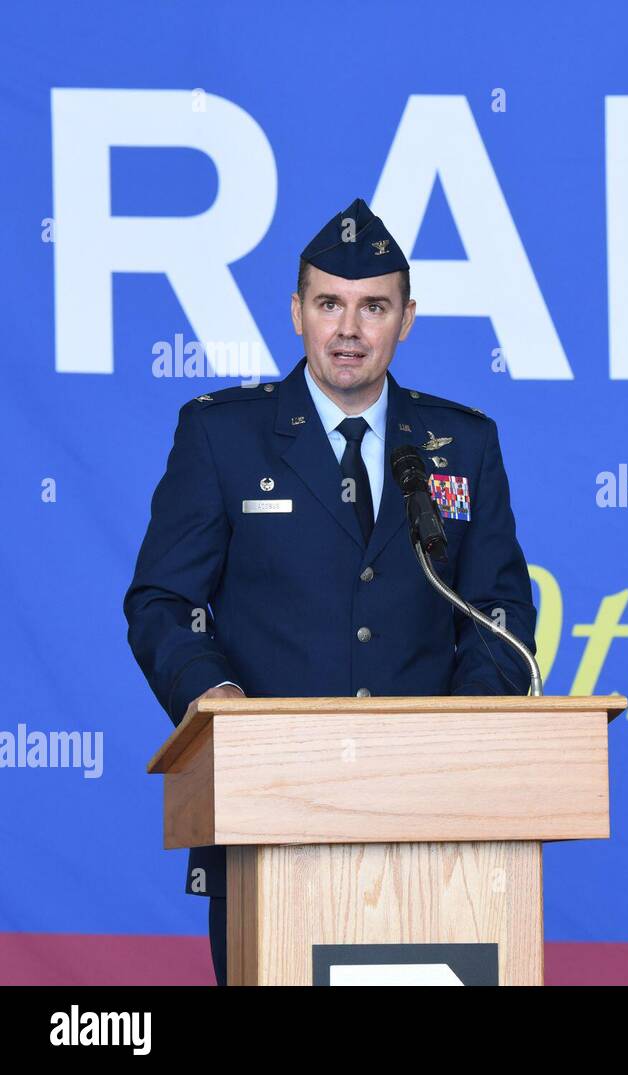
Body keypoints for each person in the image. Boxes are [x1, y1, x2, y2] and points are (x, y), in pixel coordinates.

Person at [124, 198, 537, 986]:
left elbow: (499, 608)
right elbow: (161, 602)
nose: (348, 328)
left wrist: (465, 732)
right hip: (269, 806)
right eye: (329, 304)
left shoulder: (464, 442)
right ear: (296, 312)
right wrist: (219, 706)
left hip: (436, 815)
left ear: (407, 318)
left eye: (373, 306)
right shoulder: (223, 434)